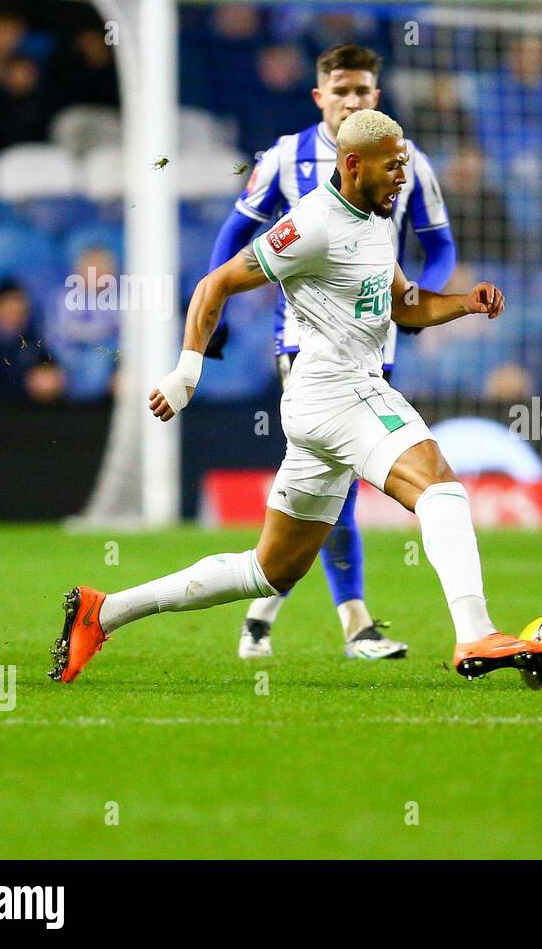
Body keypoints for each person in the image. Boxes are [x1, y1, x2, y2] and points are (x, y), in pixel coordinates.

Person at [48, 110, 542, 685]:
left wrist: (464, 302)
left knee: (268, 570)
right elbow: (214, 284)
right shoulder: (313, 224)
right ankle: (475, 633)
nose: (403, 175)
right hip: (340, 392)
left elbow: (404, 304)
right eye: (394, 165)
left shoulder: (375, 219)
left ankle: (104, 612)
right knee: (440, 488)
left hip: (322, 407)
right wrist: (185, 373)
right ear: (353, 164)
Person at [208, 43, 457, 661]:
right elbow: (239, 229)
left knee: (328, 481)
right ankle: (356, 624)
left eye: (363, 91)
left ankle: (264, 608)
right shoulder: (286, 157)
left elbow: (438, 242)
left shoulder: (407, 161)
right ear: (320, 96)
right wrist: (213, 308)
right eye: (341, 90)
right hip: (307, 340)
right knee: (338, 478)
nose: (352, 99)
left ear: (378, 96)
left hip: (379, 336)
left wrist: (421, 300)